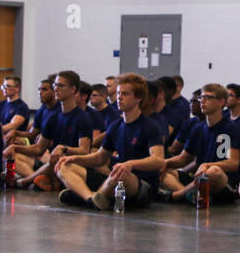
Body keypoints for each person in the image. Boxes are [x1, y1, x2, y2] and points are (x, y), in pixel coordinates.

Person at [57, 73, 165, 210]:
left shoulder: (150, 126)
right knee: (64, 167)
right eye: (119, 93)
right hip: (115, 179)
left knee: (121, 173)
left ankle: (88, 195)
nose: (119, 97)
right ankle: (90, 198)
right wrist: (74, 158)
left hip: (141, 186)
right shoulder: (115, 126)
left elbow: (158, 160)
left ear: (138, 98)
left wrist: (130, 164)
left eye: (125, 94)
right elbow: (99, 157)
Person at [160, 84, 240, 205]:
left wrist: (206, 164)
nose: (202, 101)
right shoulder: (198, 128)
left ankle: (180, 194)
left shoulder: (229, 128)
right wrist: (164, 163)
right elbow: (183, 159)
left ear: (221, 102)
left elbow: (233, 163)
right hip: (200, 179)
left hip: (224, 183)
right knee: (162, 171)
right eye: (201, 98)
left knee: (213, 171)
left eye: (208, 98)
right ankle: (192, 194)